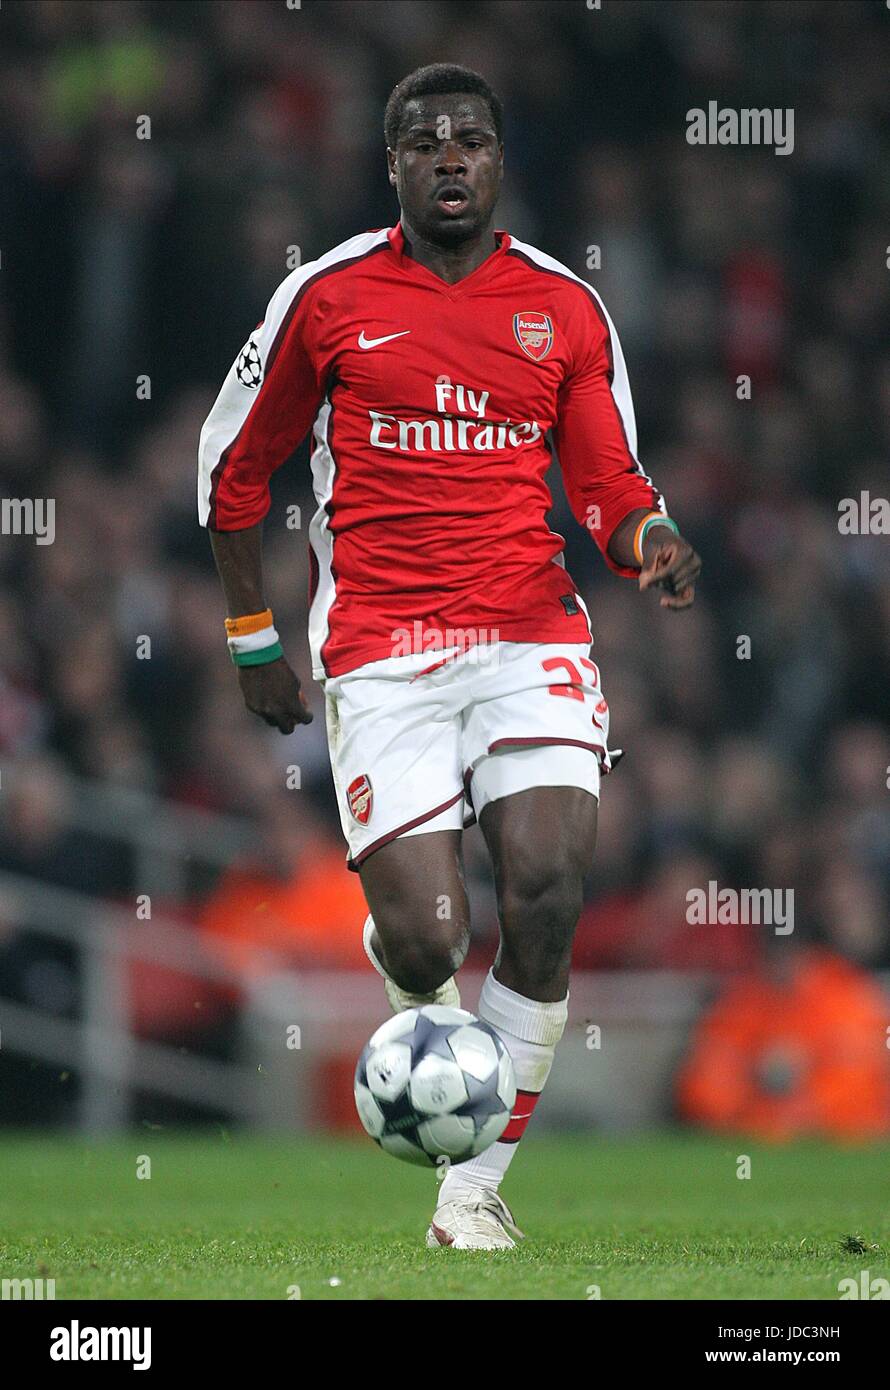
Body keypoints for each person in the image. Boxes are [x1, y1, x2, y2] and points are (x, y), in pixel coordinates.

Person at [198, 64, 701, 1248]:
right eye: (423, 141)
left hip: (527, 636)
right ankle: (401, 939)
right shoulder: (324, 298)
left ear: (498, 158)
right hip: (380, 652)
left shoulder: (564, 307)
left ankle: (469, 1192)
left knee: (546, 885)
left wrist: (651, 540)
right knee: (431, 934)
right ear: (391, 165)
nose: (448, 156)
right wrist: (252, 636)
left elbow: (604, 481)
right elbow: (232, 466)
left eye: (468, 138)